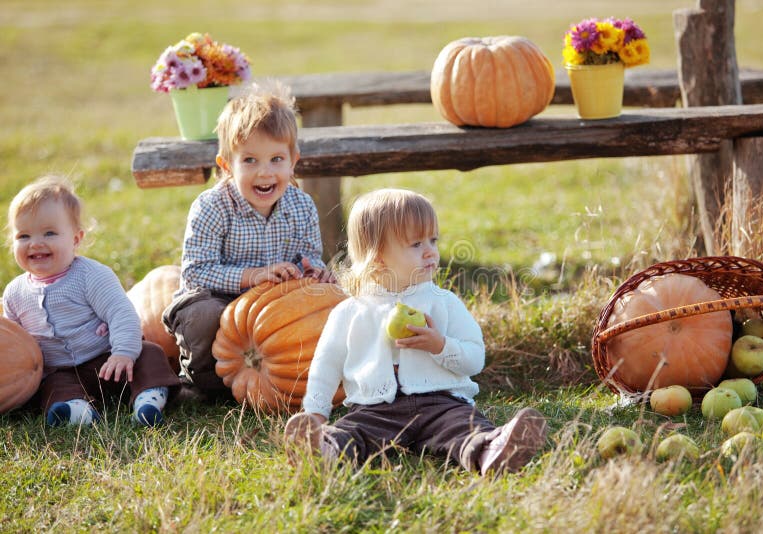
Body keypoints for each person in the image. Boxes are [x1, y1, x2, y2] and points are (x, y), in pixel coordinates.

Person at [283, 188, 547, 476]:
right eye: (416, 243)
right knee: (353, 432)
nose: (430, 251)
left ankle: (491, 451)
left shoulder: (443, 302)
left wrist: (440, 346)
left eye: (433, 240)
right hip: (375, 408)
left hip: (441, 403)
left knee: (465, 427)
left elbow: (474, 358)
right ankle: (323, 450)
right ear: (378, 257)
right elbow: (326, 366)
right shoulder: (350, 312)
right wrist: (317, 413)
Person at [162, 83, 334, 402]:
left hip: (270, 313)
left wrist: (314, 273)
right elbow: (196, 272)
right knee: (203, 318)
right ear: (227, 165)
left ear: (293, 160)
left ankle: (275, 379)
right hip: (214, 299)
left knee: (323, 313)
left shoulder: (302, 206)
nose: (264, 173)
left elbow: (308, 259)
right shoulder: (213, 206)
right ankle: (205, 385)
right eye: (250, 161)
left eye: (276, 159)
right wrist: (252, 275)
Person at [3, 176, 180, 427]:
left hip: (108, 358)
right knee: (54, 387)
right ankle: (76, 411)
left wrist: (123, 353)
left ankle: (148, 398)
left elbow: (121, 313)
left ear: (76, 239)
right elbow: (13, 343)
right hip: (61, 371)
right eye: (23, 236)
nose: (35, 243)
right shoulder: (15, 293)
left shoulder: (90, 276)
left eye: (49, 233)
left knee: (150, 354)